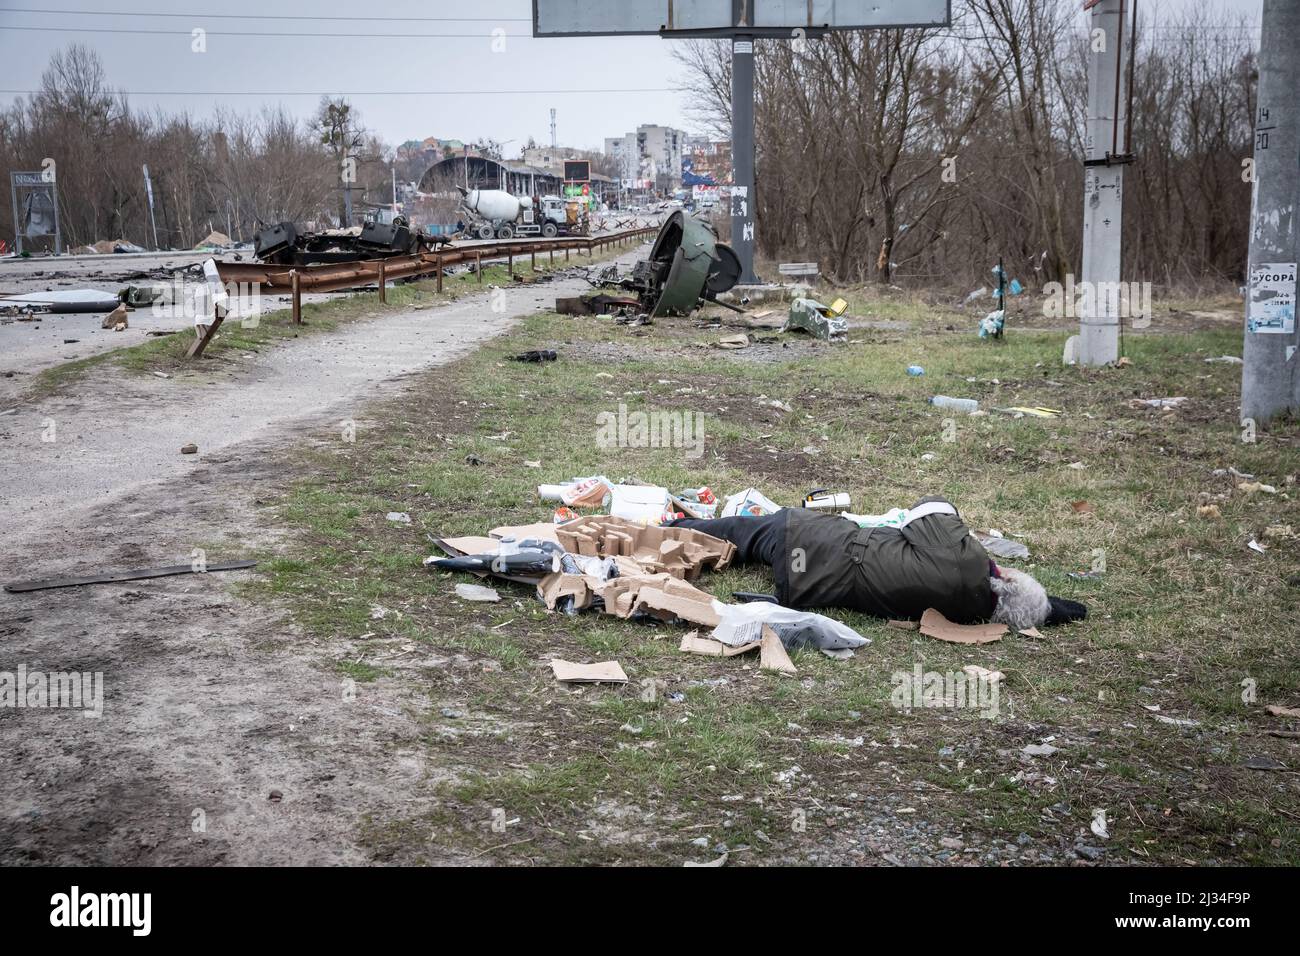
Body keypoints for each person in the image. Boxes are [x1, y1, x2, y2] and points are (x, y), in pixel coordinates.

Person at [670, 497, 1086, 630]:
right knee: (750, 542)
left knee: (734, 530)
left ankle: (672, 525)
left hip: (810, 542)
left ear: (1008, 576)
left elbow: (930, 509)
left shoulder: (967, 559)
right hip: (810, 588)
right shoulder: (967, 614)